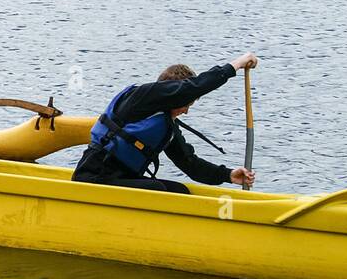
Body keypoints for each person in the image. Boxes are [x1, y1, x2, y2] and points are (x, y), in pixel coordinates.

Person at [72, 53, 259, 194]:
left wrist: (227, 175)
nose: (186, 110)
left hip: (121, 180)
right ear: (171, 94)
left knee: (180, 191)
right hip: (93, 177)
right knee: (157, 188)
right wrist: (237, 64)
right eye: (185, 103)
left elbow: (190, 164)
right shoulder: (141, 98)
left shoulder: (167, 126)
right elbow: (194, 86)